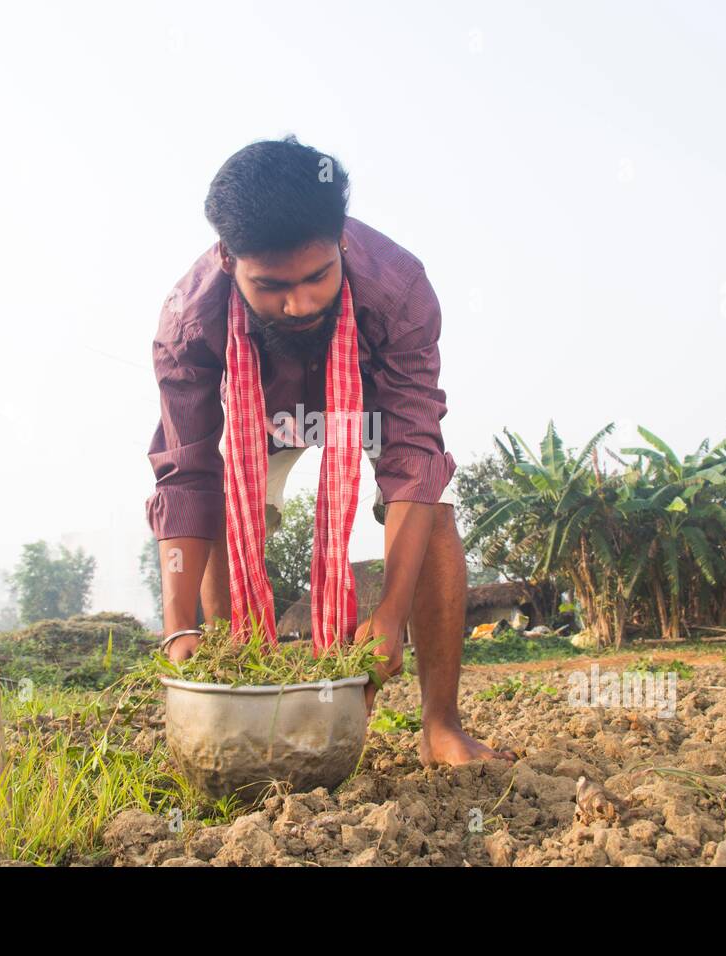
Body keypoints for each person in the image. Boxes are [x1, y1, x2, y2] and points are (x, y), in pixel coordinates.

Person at [145, 135, 511, 767]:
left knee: (434, 517)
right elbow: (189, 476)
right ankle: (237, 701)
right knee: (234, 520)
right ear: (230, 260)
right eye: (272, 287)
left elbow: (414, 459)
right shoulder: (189, 324)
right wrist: (181, 628)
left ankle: (440, 728)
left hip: (364, 401)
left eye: (318, 277)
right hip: (261, 408)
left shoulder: (398, 290)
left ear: (341, 239)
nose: (301, 303)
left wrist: (390, 613)